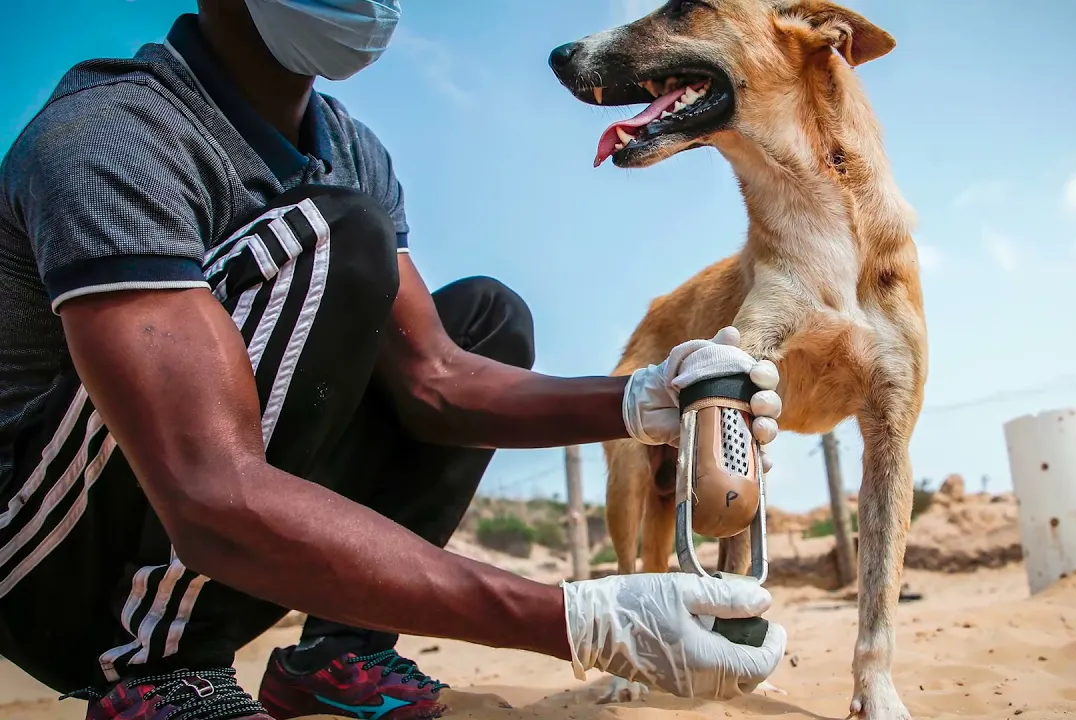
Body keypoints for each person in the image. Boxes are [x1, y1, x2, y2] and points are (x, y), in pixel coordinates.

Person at [0, 1, 788, 719]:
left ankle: (341, 656)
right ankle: (161, 672)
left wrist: (648, 399)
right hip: (56, 573)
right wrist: (582, 620)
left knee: (485, 316)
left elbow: (437, 382)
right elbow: (209, 489)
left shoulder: (348, 148)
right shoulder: (113, 133)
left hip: (217, 532)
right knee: (336, 236)